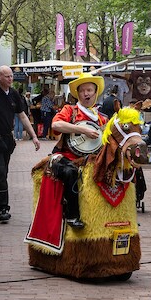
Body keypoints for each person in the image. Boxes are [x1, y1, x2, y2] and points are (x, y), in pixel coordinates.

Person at [0, 66, 40, 223]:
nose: (10, 79)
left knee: (2, 173)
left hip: (7, 139)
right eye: (7, 76)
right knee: (0, 170)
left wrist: (34, 136)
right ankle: (4, 208)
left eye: (11, 76)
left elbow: (23, 116)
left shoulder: (14, 95)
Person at [49, 73, 107, 229]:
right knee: (70, 173)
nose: (86, 93)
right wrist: (82, 130)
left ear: (95, 93)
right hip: (68, 157)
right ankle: (72, 216)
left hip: (94, 159)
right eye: (82, 90)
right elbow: (56, 125)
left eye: (89, 90)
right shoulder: (70, 110)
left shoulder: (101, 118)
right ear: (78, 94)